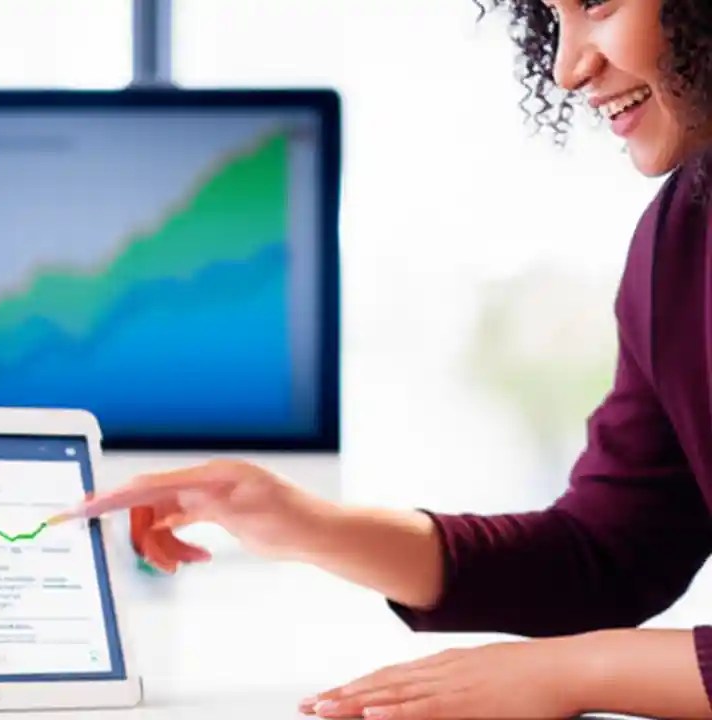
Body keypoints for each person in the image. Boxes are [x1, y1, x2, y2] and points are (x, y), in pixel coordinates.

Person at [52, 0, 712, 718]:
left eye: (599, 5)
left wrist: (568, 672)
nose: (565, 65)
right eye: (554, 17)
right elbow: (603, 559)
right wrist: (304, 522)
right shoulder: (679, 239)